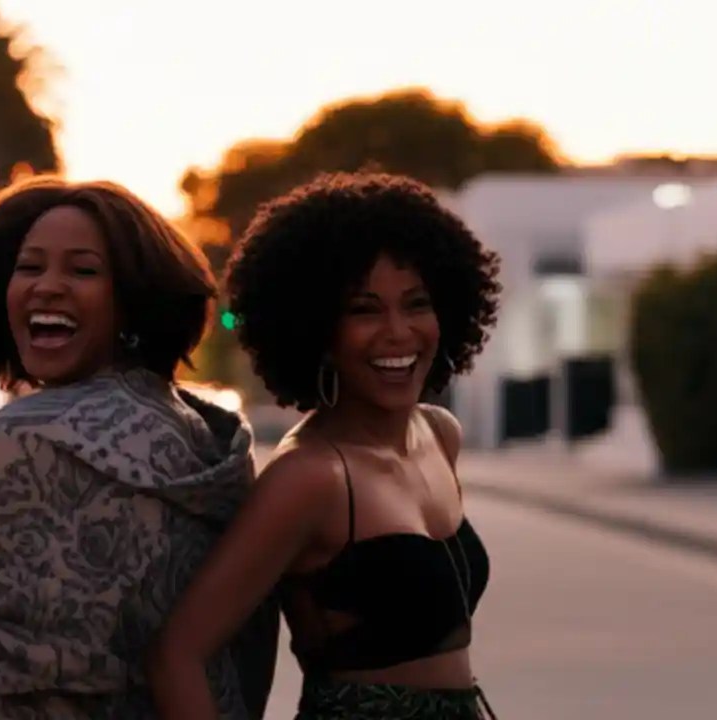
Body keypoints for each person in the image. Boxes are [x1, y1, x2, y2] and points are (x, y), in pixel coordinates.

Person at [148, 172, 503, 719]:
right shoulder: (309, 477)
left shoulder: (438, 433)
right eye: (364, 310)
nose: (397, 332)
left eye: (416, 304)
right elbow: (179, 654)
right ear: (317, 331)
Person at [0, 177, 280, 719]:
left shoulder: (25, 436)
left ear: (131, 301)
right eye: (29, 267)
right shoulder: (208, 437)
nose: (47, 287)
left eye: (83, 270)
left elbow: (24, 678)